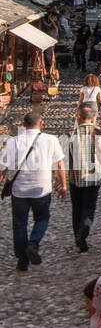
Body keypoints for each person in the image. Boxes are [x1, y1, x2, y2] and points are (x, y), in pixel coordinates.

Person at [0, 112, 67, 271]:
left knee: (19, 224)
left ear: (23, 125)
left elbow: (2, 168)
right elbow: (59, 165)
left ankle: (22, 260)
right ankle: (33, 244)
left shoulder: (13, 142)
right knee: (42, 218)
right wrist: (63, 185)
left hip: (19, 190)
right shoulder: (51, 140)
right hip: (41, 189)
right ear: (41, 124)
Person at [62, 104, 101, 252]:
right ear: (94, 118)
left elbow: (63, 160)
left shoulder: (69, 136)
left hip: (75, 178)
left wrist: (59, 181)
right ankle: (83, 234)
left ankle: (78, 236)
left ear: (78, 118)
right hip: (94, 178)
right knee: (89, 208)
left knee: (77, 208)